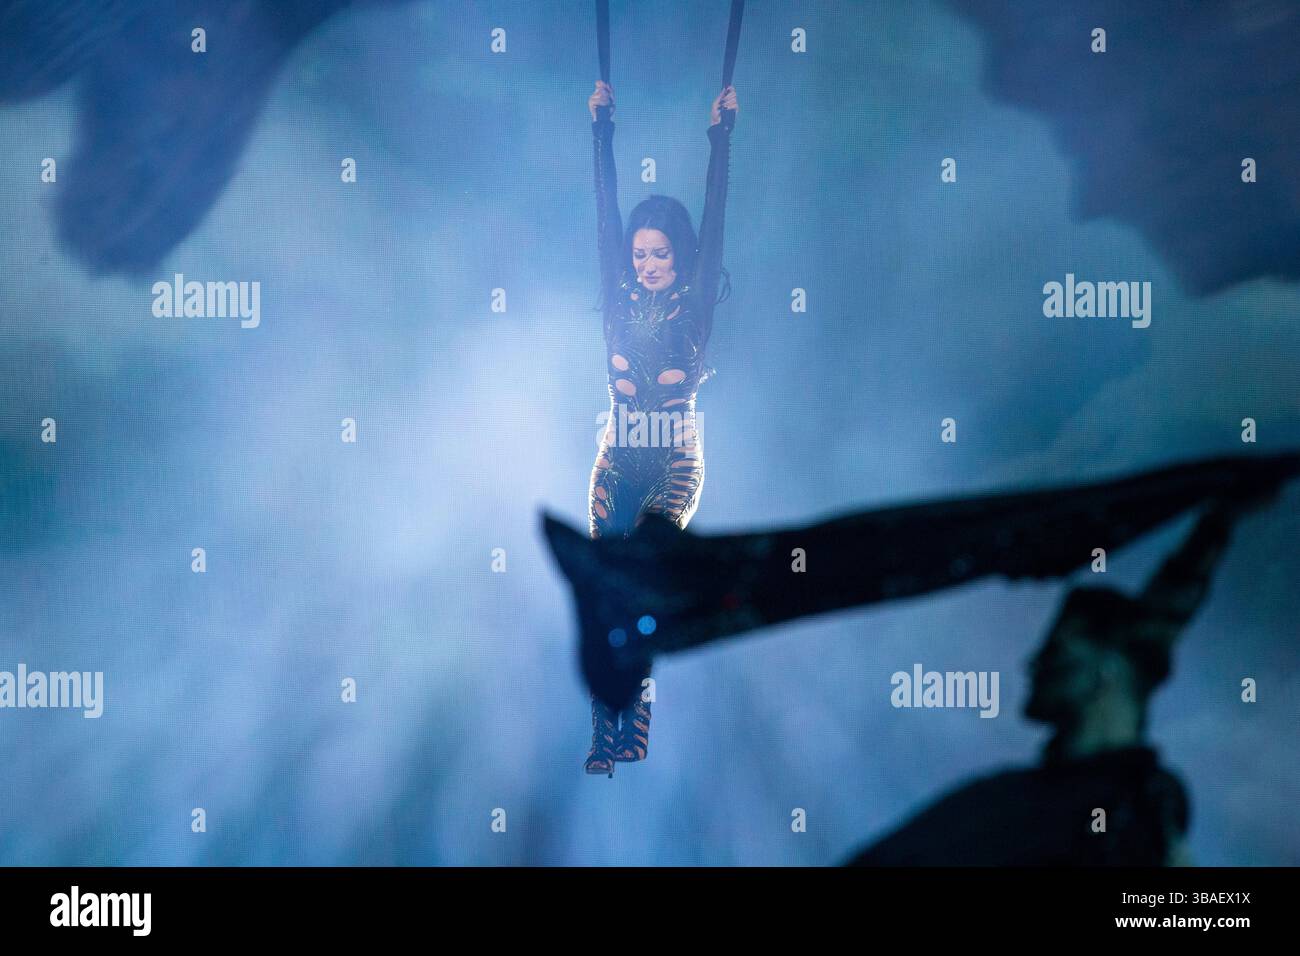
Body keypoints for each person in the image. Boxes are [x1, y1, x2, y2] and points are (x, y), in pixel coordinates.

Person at [846, 500, 1255, 865]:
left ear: (1108, 669)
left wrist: (1217, 524)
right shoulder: (1006, 801)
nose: (1034, 664)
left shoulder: (1140, 807)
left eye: (1058, 650)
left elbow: (1164, 610)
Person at [581, 78, 739, 776]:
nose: (645, 266)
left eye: (660, 255)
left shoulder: (696, 303)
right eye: (638, 255)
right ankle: (604, 729)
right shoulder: (615, 295)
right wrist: (601, 131)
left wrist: (720, 139)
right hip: (616, 461)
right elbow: (602, 211)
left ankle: (635, 711)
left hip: (672, 466)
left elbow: (718, 212)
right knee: (603, 591)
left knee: (639, 585)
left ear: (682, 257)